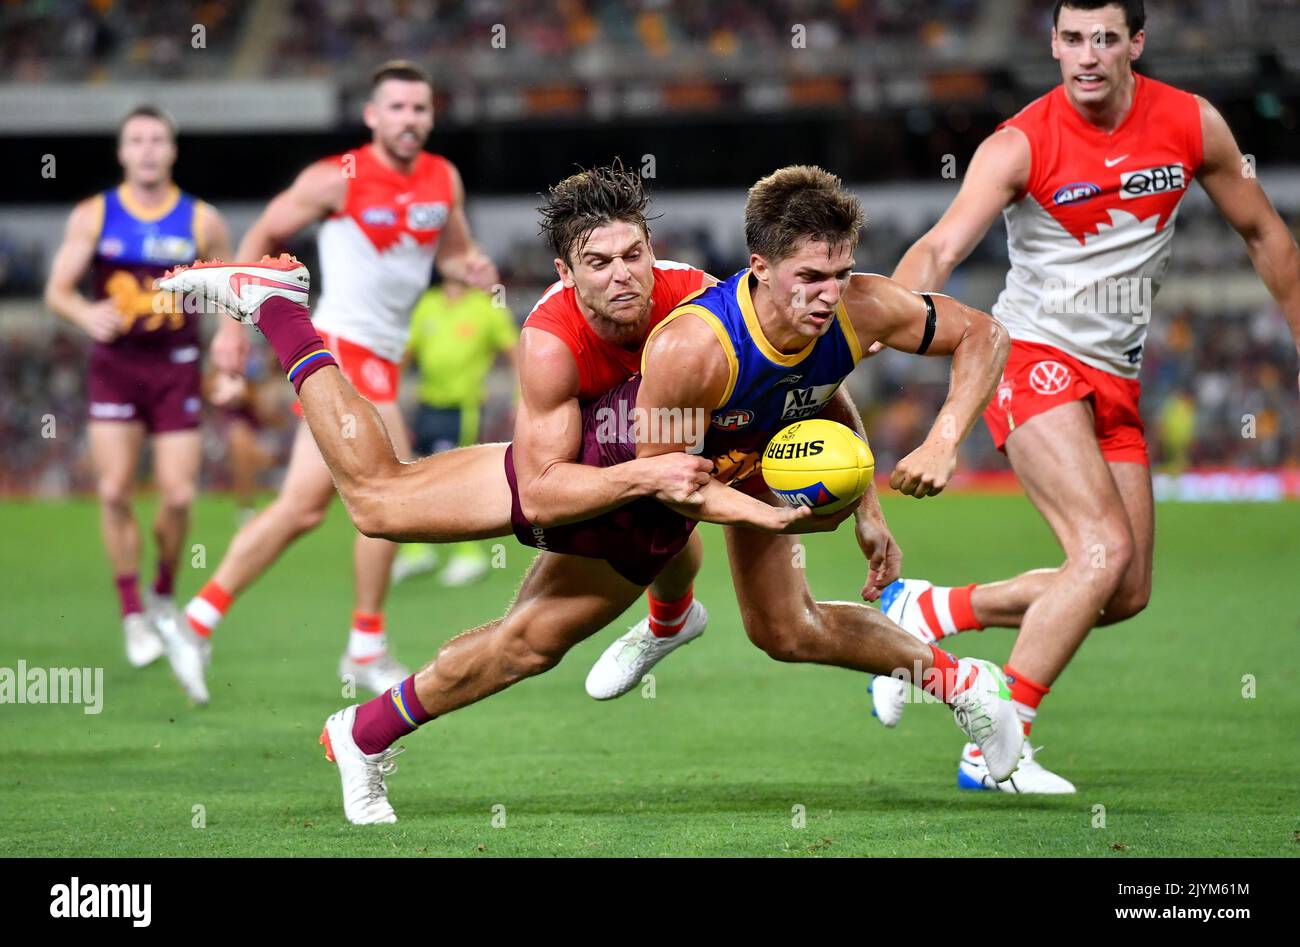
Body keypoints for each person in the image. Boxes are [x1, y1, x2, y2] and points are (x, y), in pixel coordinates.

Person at [159, 163, 1022, 825]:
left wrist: (872, 493)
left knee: (785, 628)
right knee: (387, 512)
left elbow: (808, 382)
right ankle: (279, 313)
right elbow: (543, 489)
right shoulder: (552, 341)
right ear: (568, 273)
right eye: (599, 263)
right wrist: (665, 478)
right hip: (597, 476)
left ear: (658, 250)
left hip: (703, 473)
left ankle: (952, 681)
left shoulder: (710, 307)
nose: (624, 277)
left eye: (636, 254)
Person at [872, 0, 1300, 793]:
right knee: (1099, 551)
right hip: (1031, 356)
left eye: (1106, 38)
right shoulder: (1019, 142)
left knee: (1123, 588)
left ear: (1136, 42)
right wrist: (875, 324)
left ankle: (929, 612)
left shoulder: (1193, 124)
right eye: (1073, 39)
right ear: (1055, 45)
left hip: (1117, 377)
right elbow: (939, 246)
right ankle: (995, 743)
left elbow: (1266, 233)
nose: (1089, 55)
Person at [170, 61, 498, 704]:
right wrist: (235, 327)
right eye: (397, 108)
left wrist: (473, 263)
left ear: (431, 116)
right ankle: (365, 642)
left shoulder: (443, 178)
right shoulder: (335, 177)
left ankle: (196, 620)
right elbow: (263, 231)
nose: (410, 119)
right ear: (372, 116)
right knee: (395, 491)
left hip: (382, 356)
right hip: (340, 351)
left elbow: (453, 251)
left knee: (302, 508)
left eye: (420, 109)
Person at [43, 104, 230, 669]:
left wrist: (226, 356)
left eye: (157, 140)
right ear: (122, 152)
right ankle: (131, 614)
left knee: (176, 494)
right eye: (136, 140)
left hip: (176, 366)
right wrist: (83, 314)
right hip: (116, 366)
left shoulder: (201, 220)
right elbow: (58, 289)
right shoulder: (94, 214)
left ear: (172, 150)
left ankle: (163, 595)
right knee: (114, 490)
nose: (147, 149)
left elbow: (226, 291)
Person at [391, 277, 518, 587]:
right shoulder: (428, 303)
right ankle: (417, 549)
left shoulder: (485, 306)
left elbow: (515, 353)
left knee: (454, 478)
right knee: (417, 474)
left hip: (464, 407)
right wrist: (388, 390)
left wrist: (520, 398)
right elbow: (407, 352)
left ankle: (469, 554)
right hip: (427, 403)